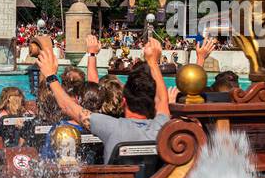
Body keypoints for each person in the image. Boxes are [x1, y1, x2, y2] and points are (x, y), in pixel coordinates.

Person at [35, 34, 170, 154]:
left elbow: (68, 106)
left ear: (124, 102)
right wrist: (153, 62)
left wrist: (50, 75)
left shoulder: (111, 126)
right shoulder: (161, 127)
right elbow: (162, 100)